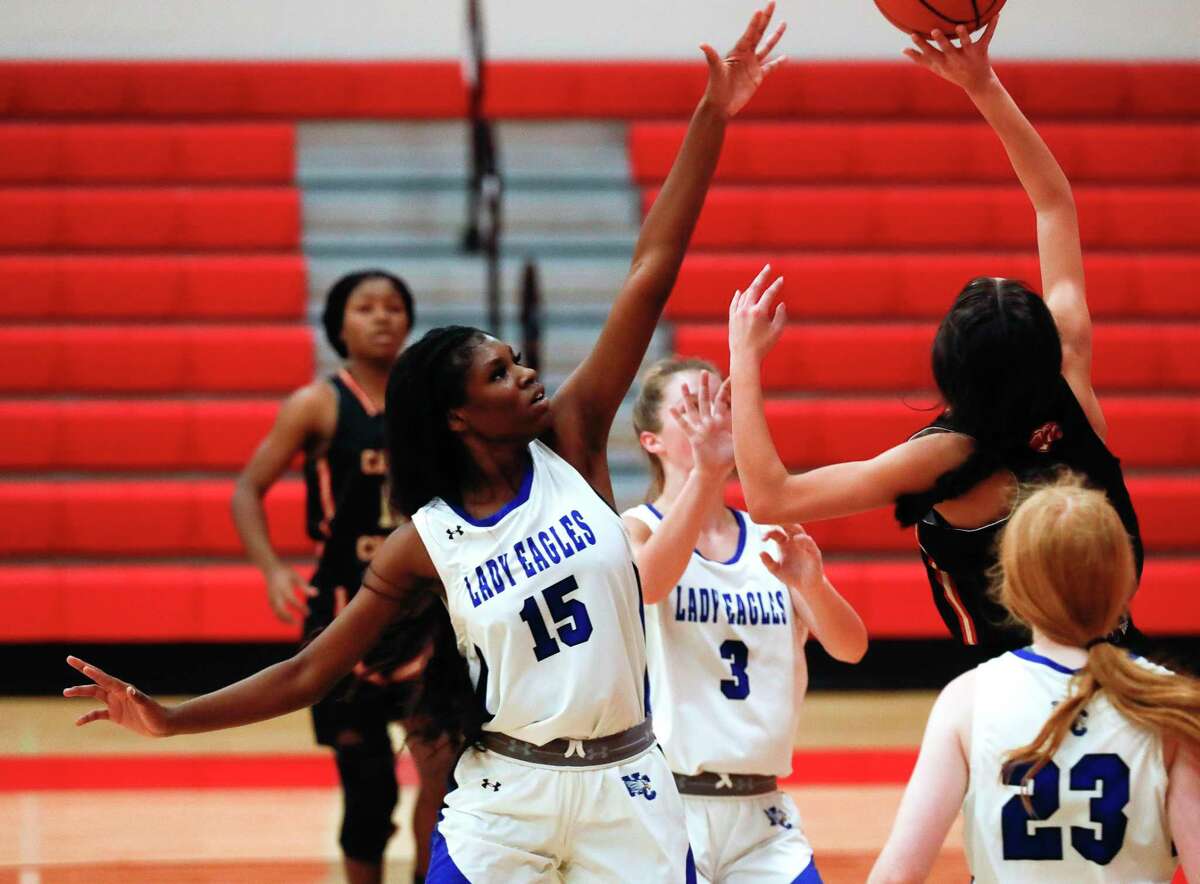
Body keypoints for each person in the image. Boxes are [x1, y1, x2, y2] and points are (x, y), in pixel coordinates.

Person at [63, 6, 786, 881]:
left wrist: (712, 113)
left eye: (518, 361)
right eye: (500, 373)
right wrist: (171, 718)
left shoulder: (572, 440)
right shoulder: (425, 541)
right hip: (506, 800)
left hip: (629, 789)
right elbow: (308, 672)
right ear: (456, 416)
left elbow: (650, 270)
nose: (527, 374)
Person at [726, 17, 1145, 654]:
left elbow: (770, 498)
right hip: (1123, 659)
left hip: (1012, 691)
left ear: (951, 371)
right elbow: (1054, 204)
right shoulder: (1072, 376)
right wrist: (984, 84)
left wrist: (745, 357)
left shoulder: (939, 460)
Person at [229, 269, 455, 884]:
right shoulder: (318, 403)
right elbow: (248, 490)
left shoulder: (430, 401)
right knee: (368, 795)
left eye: (393, 306)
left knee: (444, 776)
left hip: (426, 612)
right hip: (343, 614)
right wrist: (272, 569)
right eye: (366, 307)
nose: (382, 316)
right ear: (338, 325)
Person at [866, 473, 1199, 883]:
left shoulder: (968, 699)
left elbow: (896, 876)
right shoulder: (1170, 705)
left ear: (1011, 584)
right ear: (1125, 579)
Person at [622, 358, 868, 883]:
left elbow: (851, 647)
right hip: (668, 806)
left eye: (723, 403)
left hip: (762, 811)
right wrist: (706, 474)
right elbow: (647, 586)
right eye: (693, 407)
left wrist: (812, 585)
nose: (714, 418)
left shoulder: (770, 534)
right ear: (651, 441)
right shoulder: (636, 529)